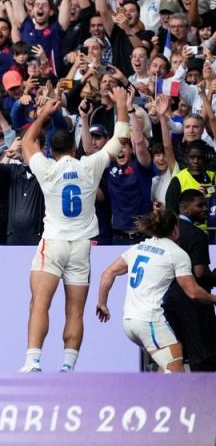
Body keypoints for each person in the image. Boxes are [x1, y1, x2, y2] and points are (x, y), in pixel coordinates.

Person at [19, 91, 129, 373]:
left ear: (51, 151)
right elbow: (120, 141)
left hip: (54, 242)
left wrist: (44, 113)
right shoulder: (89, 165)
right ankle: (68, 366)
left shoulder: (46, 169)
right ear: (74, 147)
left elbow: (27, 143)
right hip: (81, 246)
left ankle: (33, 361)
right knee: (75, 311)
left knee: (39, 304)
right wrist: (119, 105)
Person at [96, 209, 216, 373]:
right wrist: (213, 298)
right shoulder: (176, 254)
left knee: (168, 357)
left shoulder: (139, 248)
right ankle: (155, 398)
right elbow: (193, 292)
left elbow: (108, 272)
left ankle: (154, 395)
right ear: (175, 229)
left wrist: (102, 303)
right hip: (149, 321)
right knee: (175, 370)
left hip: (129, 322)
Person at [163, 190, 216, 371]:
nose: (206, 209)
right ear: (184, 208)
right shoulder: (197, 235)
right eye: (200, 205)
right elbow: (200, 274)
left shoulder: (165, 232)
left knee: (171, 355)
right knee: (202, 357)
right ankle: (202, 397)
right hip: (194, 306)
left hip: (167, 303)